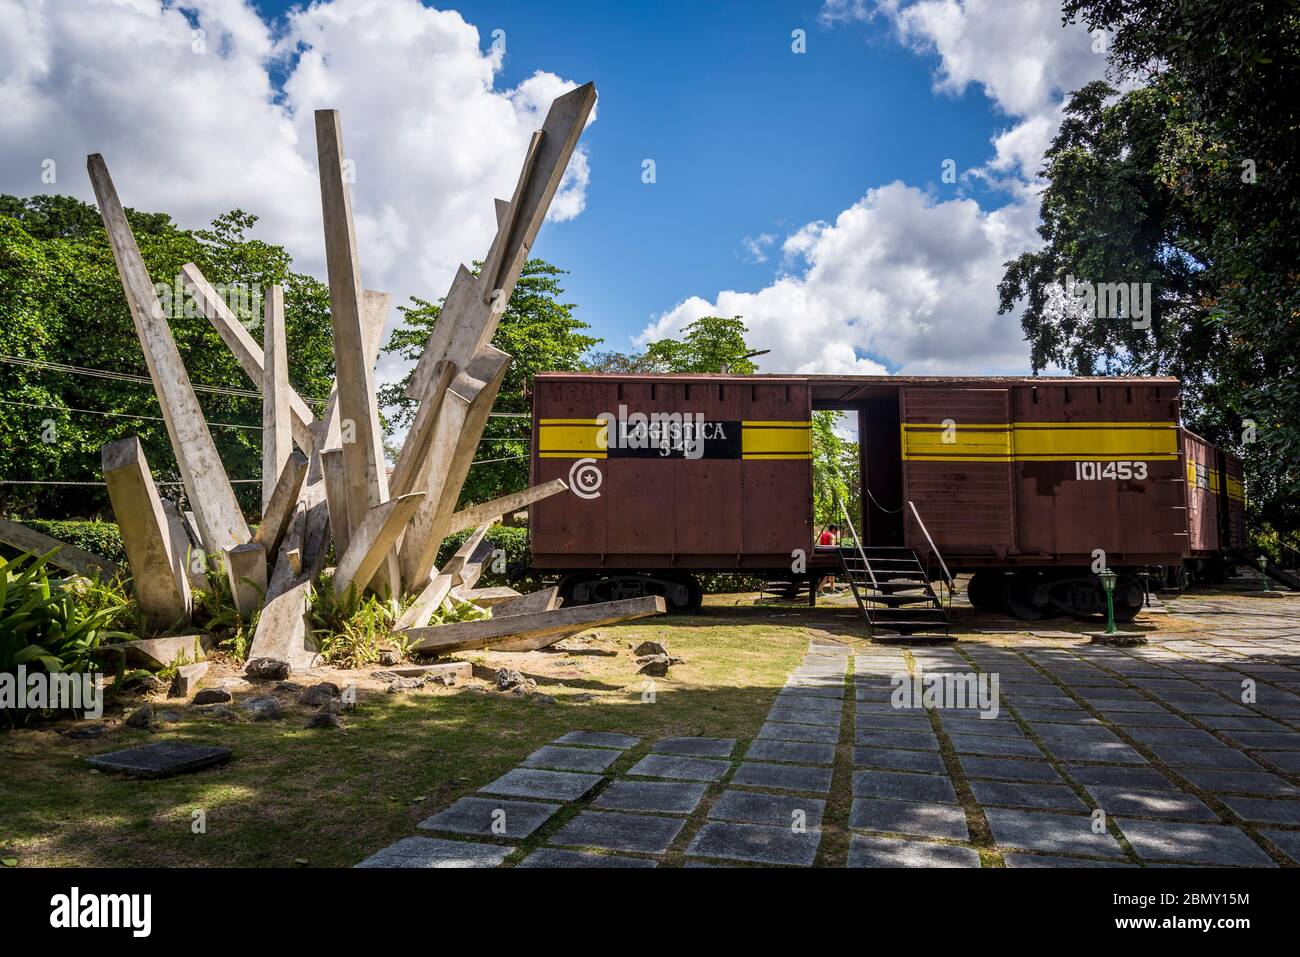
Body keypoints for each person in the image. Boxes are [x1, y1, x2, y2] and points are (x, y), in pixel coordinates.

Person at [817, 524, 839, 592]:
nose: (836, 532)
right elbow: (832, 547)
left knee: (832, 573)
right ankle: (819, 590)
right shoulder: (831, 536)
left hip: (823, 556)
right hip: (830, 557)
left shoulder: (823, 535)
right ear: (833, 529)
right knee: (827, 574)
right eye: (836, 531)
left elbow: (821, 545)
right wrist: (837, 546)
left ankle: (832, 588)